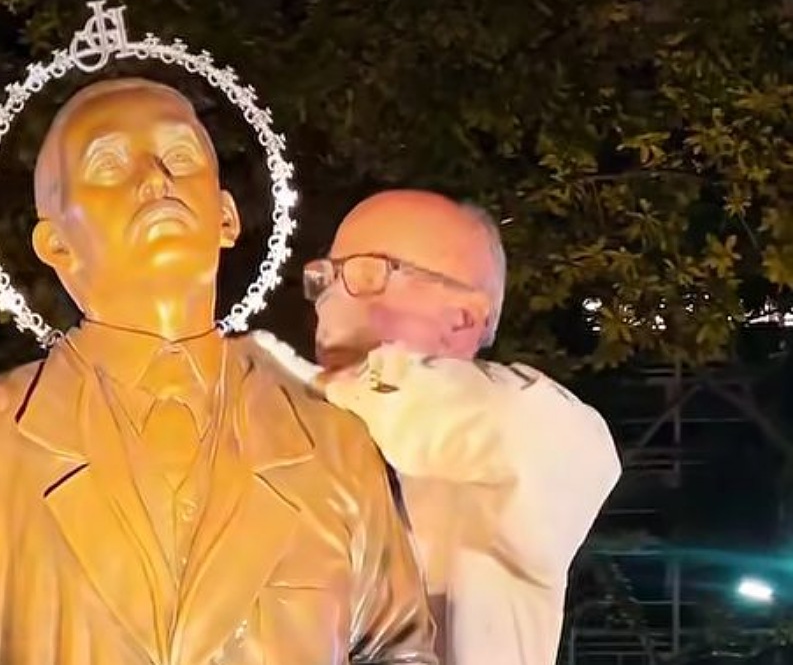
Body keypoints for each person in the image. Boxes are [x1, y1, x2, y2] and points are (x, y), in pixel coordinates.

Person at [0, 81, 438, 665]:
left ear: (225, 216)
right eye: (107, 166)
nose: (155, 179)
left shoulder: (332, 446)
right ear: (54, 241)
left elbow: (402, 650)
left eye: (179, 156)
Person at [256, 189, 621, 665]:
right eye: (325, 274)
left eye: (368, 271)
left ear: (464, 316)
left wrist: (311, 386)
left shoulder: (535, 434)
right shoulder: (276, 435)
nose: (329, 293)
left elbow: (565, 448)